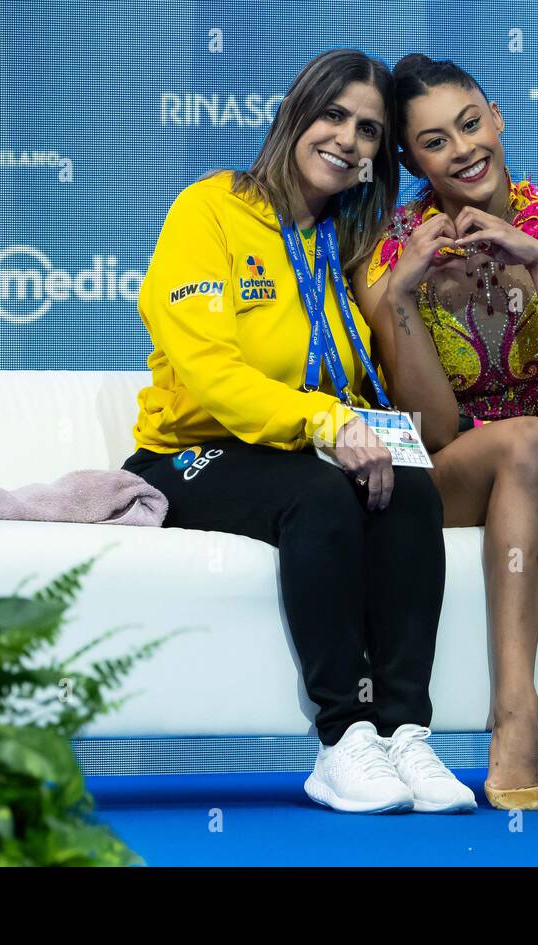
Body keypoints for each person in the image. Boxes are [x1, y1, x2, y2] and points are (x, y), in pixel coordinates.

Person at [122, 49, 475, 814]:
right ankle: (342, 740)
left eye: (371, 131)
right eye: (334, 116)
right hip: (188, 454)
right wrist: (326, 420)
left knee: (412, 489)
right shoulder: (209, 209)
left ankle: (404, 733)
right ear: (295, 114)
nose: (349, 140)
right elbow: (211, 371)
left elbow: (370, 370)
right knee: (320, 497)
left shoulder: (347, 239)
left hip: (304, 444)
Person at [351, 54, 538, 810]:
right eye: (435, 141)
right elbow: (431, 427)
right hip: (450, 469)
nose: (463, 149)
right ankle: (514, 711)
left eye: (470, 123)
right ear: (410, 158)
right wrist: (408, 300)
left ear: (497, 117)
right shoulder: (388, 255)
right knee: (527, 439)